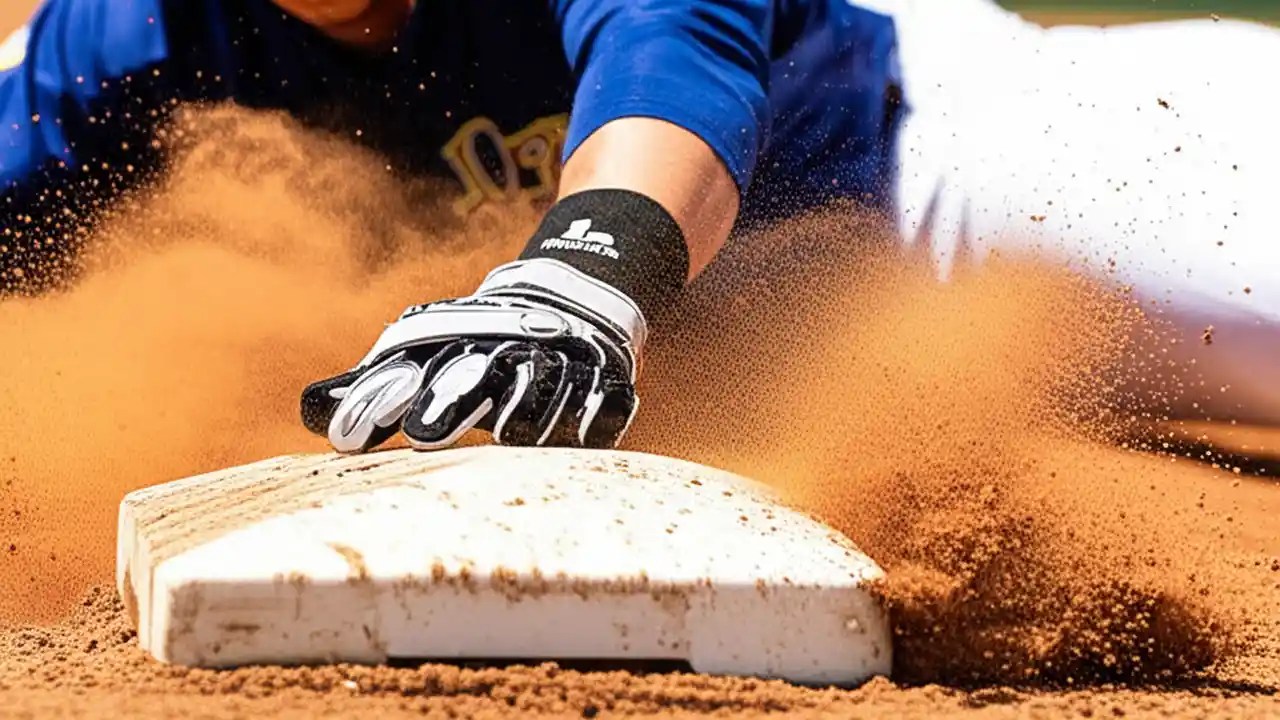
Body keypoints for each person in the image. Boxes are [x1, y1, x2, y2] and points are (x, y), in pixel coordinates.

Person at [0, 0, 1274, 456]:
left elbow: (676, 58)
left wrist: (583, 275)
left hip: (929, 184)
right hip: (756, 370)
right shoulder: (124, 34)